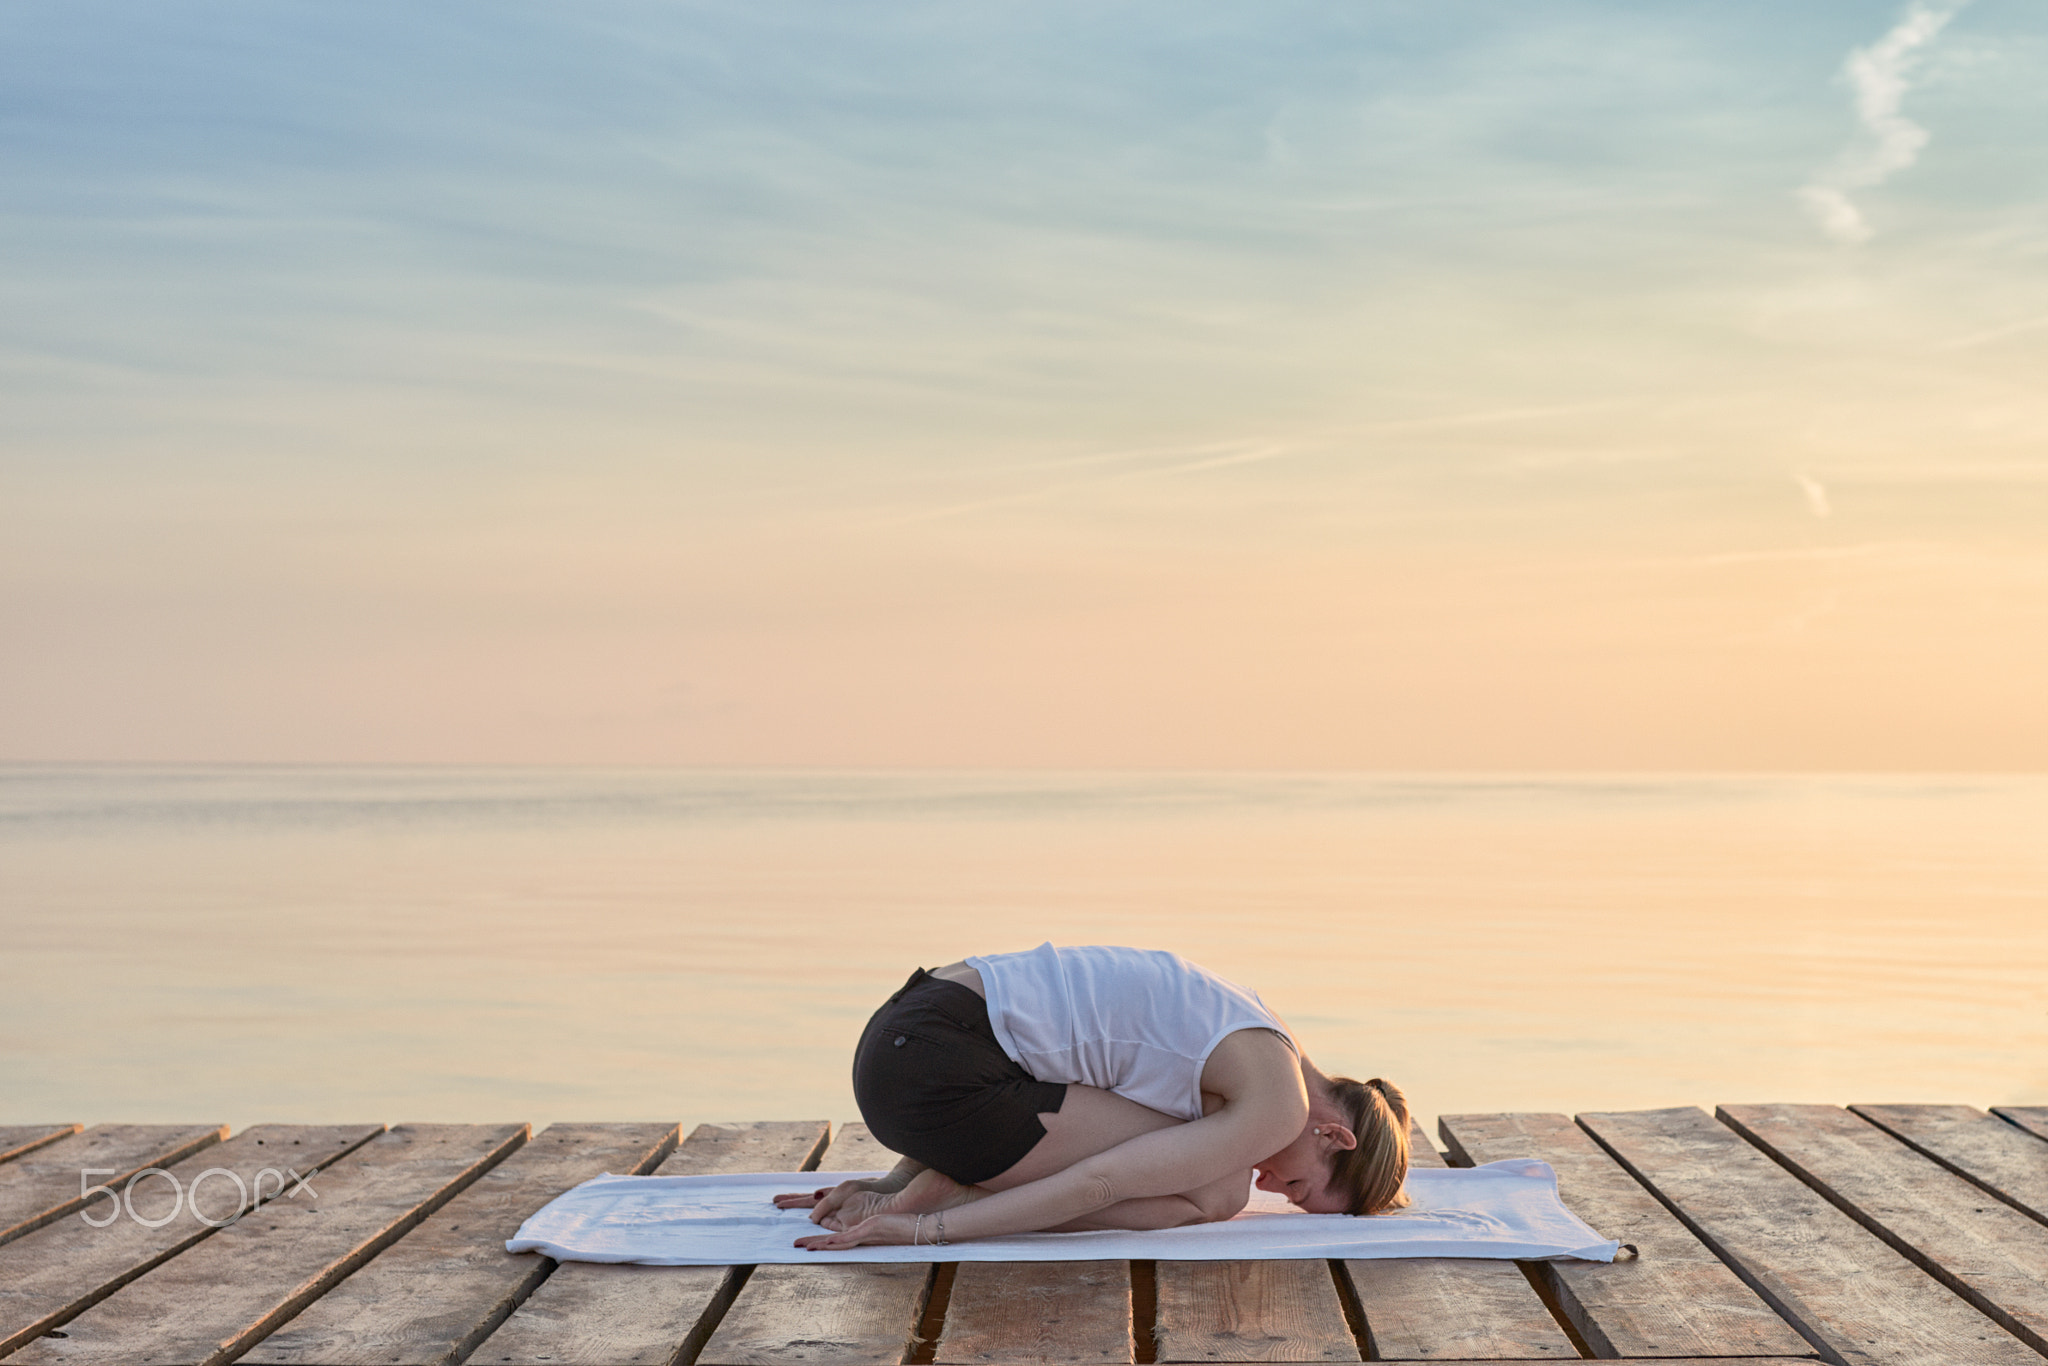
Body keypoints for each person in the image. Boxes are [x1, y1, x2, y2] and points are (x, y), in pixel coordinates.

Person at [775, 943, 1410, 1250]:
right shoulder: (1281, 1103)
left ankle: (928, 1176)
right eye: (1299, 1190)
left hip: (897, 1041)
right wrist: (923, 1229)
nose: (1274, 1190)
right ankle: (956, 1189)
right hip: (933, 1075)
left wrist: (892, 1180)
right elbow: (1100, 1182)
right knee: (1218, 1192)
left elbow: (1057, 1053)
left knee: (1207, 1172)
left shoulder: (1264, 1029)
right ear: (1334, 1136)